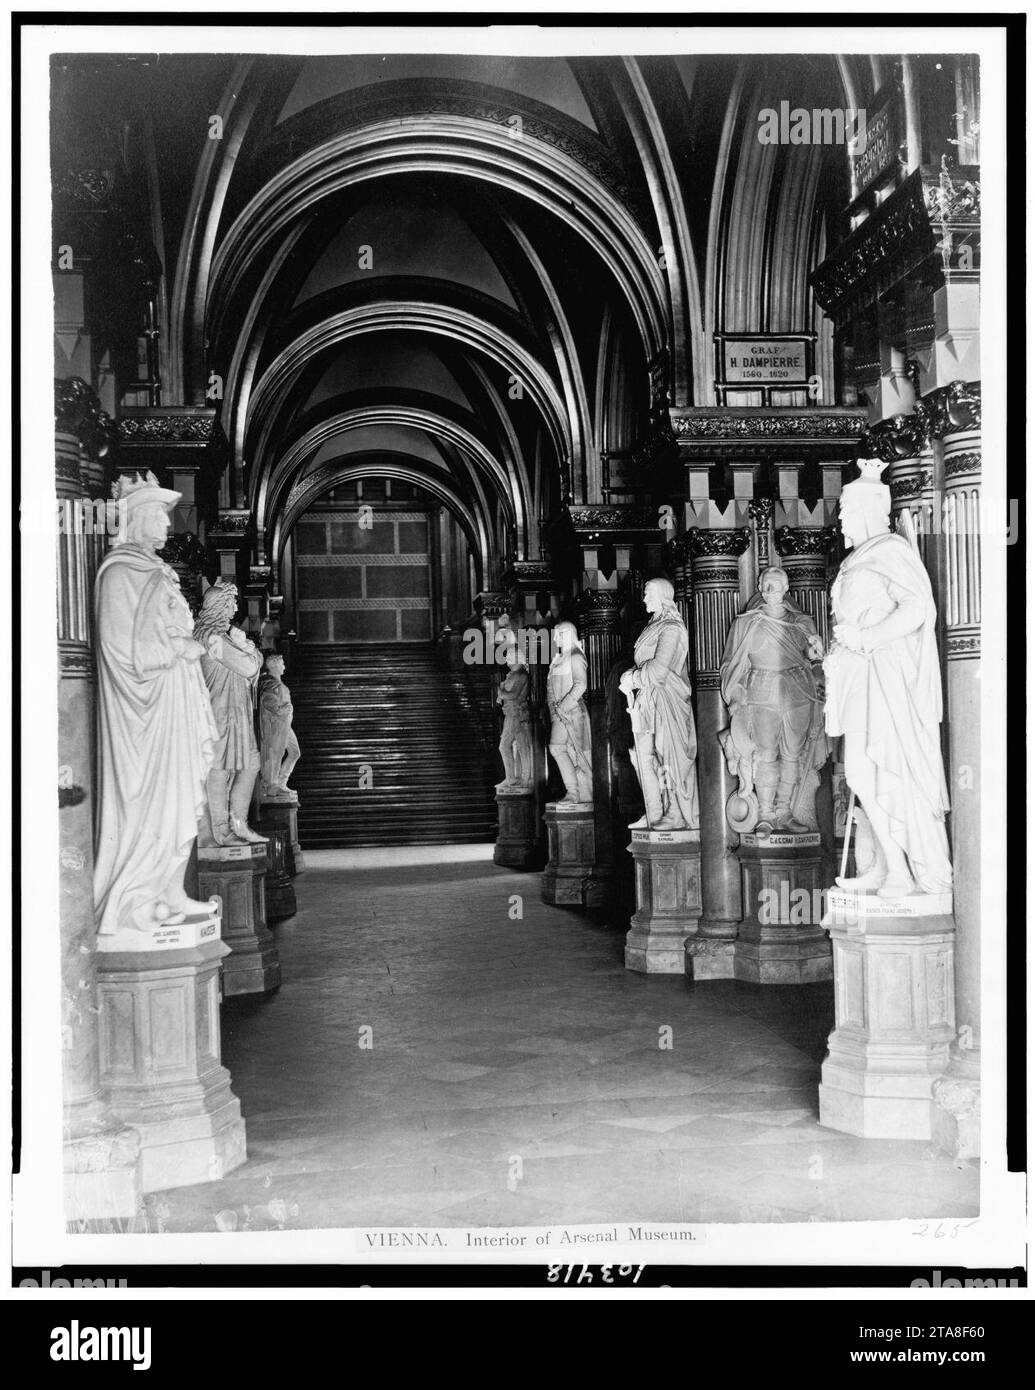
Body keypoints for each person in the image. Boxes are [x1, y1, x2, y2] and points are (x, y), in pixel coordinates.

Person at [94, 472, 217, 935]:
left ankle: (169, 889)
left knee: (182, 797)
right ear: (135, 520)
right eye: (158, 517)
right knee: (154, 799)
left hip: (173, 701)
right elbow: (118, 648)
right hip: (145, 714)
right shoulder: (121, 573)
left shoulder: (152, 570)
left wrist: (182, 649)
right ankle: (136, 894)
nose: (168, 527)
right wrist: (176, 651)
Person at [824, 457, 953, 897]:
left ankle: (902, 869)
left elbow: (918, 610)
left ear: (865, 510)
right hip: (860, 674)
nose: (841, 518)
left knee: (879, 766)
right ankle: (887, 864)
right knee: (860, 772)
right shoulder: (857, 558)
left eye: (845, 510)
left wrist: (865, 635)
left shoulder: (892, 550)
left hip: (886, 677)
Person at [719, 566, 828, 832]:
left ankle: (785, 811)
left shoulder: (802, 624)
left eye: (776, 585)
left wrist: (817, 658)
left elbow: (815, 661)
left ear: (786, 588)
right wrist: (736, 697)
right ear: (759, 586)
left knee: (793, 754)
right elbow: (732, 665)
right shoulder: (745, 623)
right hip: (761, 691)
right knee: (766, 754)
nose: (770, 591)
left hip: (797, 692)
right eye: (766, 585)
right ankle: (766, 813)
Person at [619, 577, 699, 830]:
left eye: (648, 593)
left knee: (667, 757)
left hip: (666, 700)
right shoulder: (653, 626)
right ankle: (655, 812)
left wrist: (632, 677)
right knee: (642, 757)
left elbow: (658, 671)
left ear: (663, 595)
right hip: (646, 700)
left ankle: (674, 812)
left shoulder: (672, 628)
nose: (644, 599)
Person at [194, 580, 266, 846]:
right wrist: (247, 648)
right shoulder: (211, 637)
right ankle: (221, 830)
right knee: (220, 770)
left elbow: (254, 664)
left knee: (250, 763)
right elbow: (250, 666)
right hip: (219, 712)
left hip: (236, 711)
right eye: (232, 602)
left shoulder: (223, 637)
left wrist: (247, 650)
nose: (236, 607)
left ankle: (238, 824)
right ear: (220, 606)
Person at [546, 621, 593, 804]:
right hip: (560, 714)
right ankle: (573, 791)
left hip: (572, 712)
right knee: (559, 748)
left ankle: (576, 792)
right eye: (556, 633)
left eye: (562, 633)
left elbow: (581, 685)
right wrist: (554, 712)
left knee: (572, 751)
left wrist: (562, 707)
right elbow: (551, 691)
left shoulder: (574, 656)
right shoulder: (558, 658)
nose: (557, 637)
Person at [258, 653, 301, 797]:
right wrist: (284, 710)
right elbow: (268, 702)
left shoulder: (276, 682)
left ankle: (281, 782)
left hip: (284, 725)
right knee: (275, 753)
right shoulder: (271, 683)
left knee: (294, 752)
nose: (284, 666)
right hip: (277, 725)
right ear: (275, 666)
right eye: (282, 664)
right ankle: (272, 784)